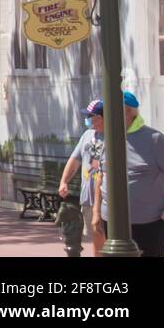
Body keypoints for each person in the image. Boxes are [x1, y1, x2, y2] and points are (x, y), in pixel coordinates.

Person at [92, 91, 164, 257]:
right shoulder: (107, 138)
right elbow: (101, 175)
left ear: (127, 111)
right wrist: (96, 212)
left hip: (148, 224)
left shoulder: (154, 139)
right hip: (112, 223)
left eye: (108, 111)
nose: (104, 116)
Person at [59, 98, 105, 255]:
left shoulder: (114, 138)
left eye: (90, 116)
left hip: (107, 200)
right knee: (96, 236)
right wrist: (64, 181)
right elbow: (75, 159)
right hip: (88, 199)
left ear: (100, 117)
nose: (87, 119)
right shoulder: (87, 135)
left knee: (109, 237)